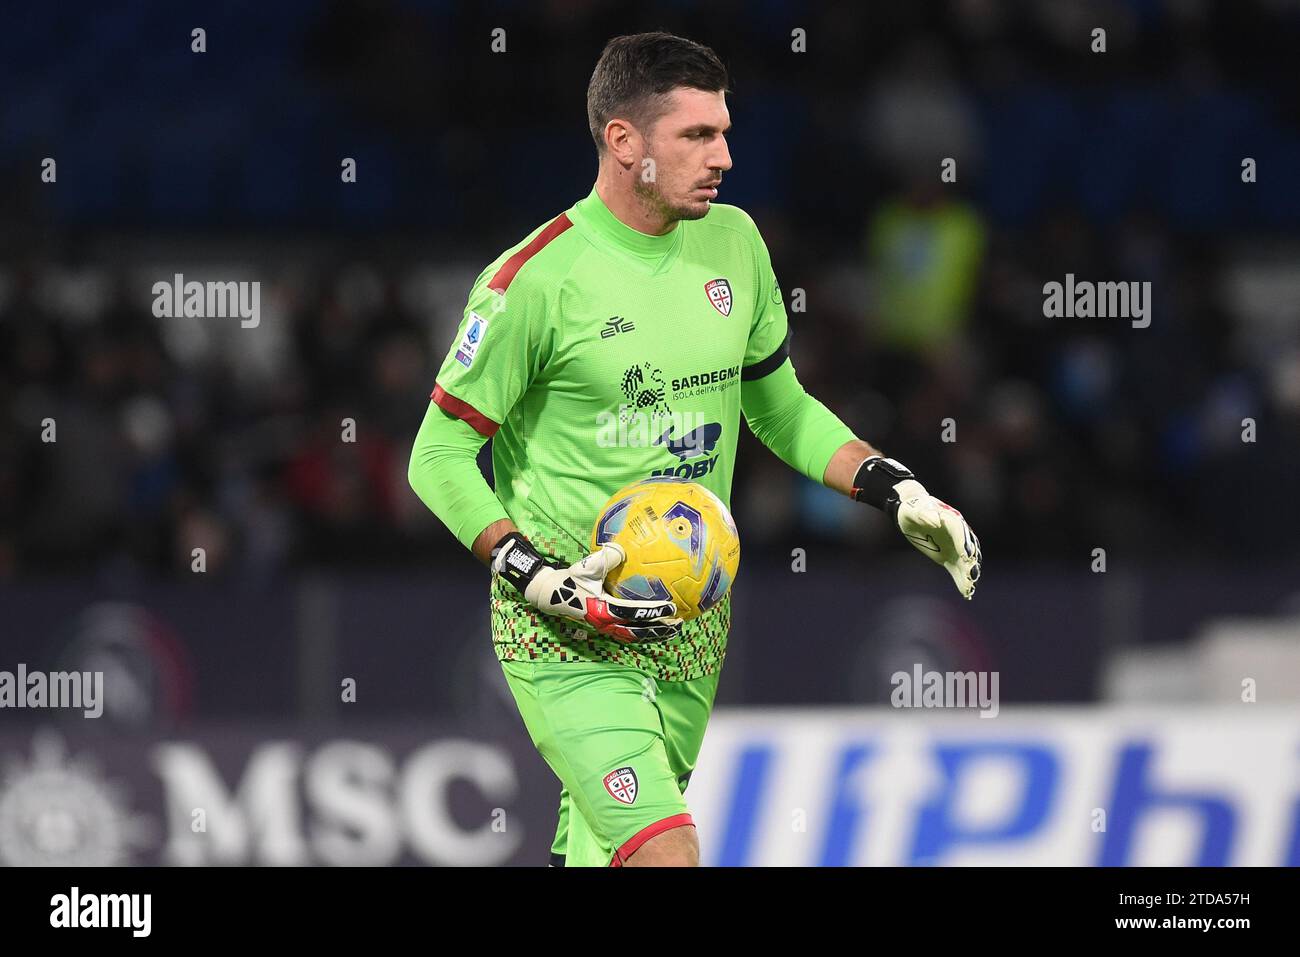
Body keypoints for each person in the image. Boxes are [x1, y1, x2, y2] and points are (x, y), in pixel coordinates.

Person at [408, 32, 981, 867]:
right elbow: (437, 455)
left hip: (689, 613)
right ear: (623, 141)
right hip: (567, 627)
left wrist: (896, 488)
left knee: (600, 856)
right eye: (697, 137)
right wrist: (533, 573)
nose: (725, 157)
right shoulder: (532, 281)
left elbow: (779, 407)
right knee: (666, 851)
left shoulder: (735, 243)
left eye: (725, 131)